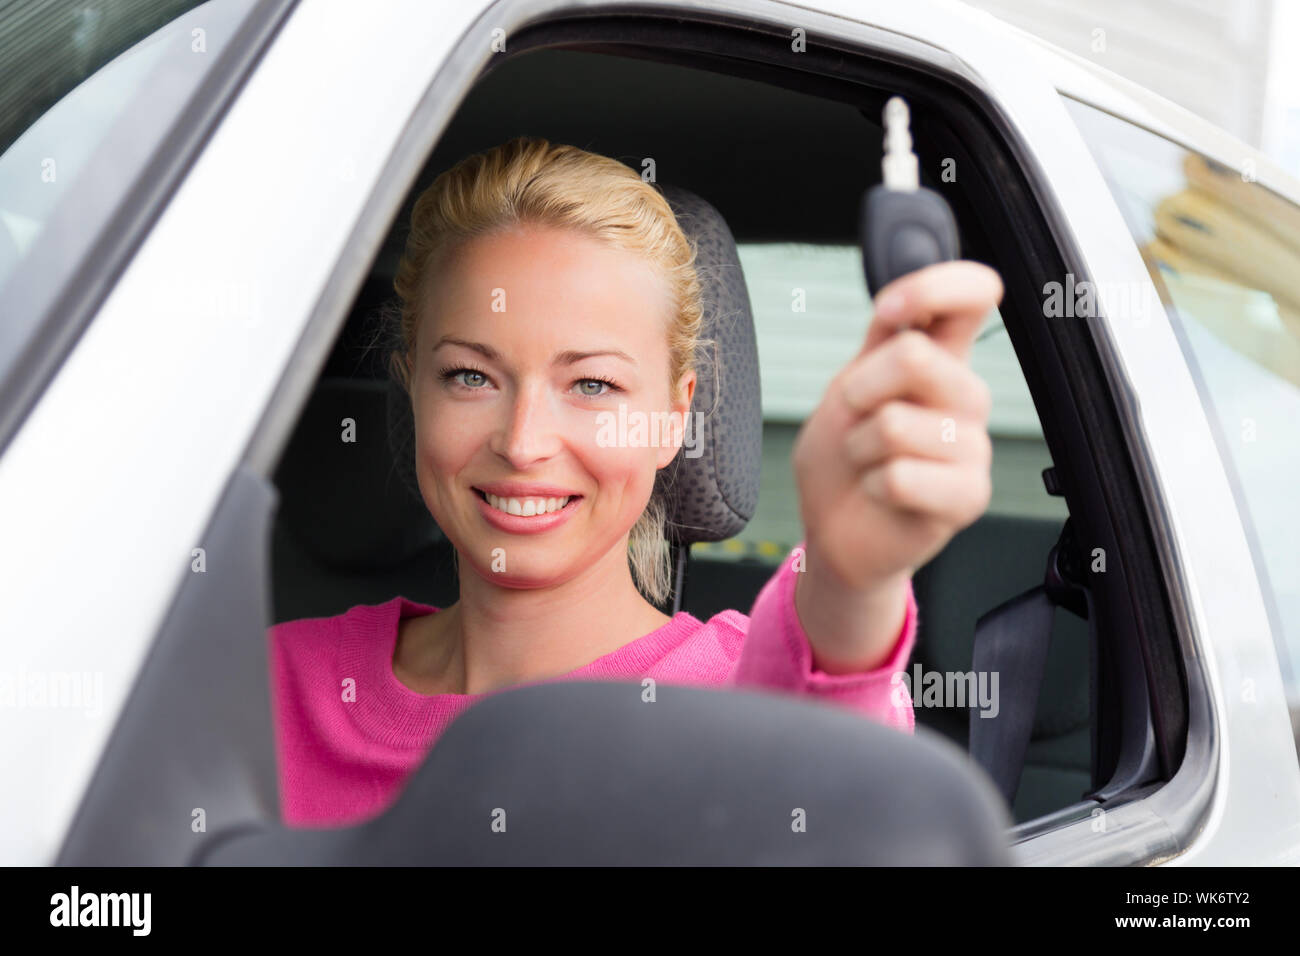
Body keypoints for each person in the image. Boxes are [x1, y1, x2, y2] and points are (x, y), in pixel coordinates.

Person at [269, 136, 1002, 828]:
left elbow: (832, 775)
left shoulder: (736, 698)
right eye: (470, 376)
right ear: (412, 393)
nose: (523, 443)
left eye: (591, 384)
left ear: (674, 417)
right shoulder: (267, 683)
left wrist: (851, 579)